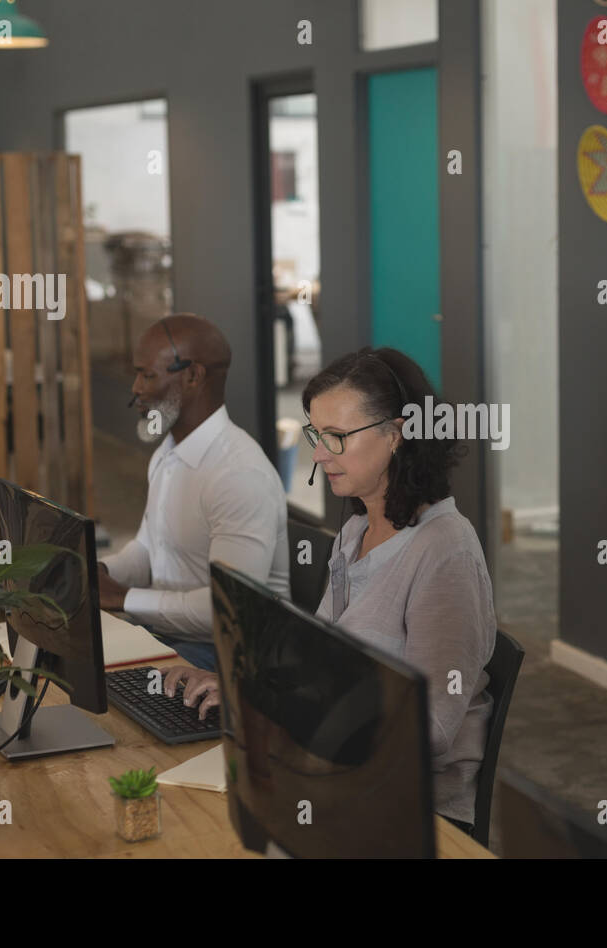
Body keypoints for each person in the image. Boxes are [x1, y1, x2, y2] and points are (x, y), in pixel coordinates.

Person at [165, 347, 497, 836]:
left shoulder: (446, 551)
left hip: (413, 811)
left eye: (337, 437)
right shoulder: (355, 530)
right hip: (333, 771)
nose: (318, 455)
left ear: (398, 433)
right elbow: (319, 663)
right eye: (316, 435)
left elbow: (431, 731)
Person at [98, 314, 291, 671]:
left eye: (148, 375)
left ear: (193, 376)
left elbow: (226, 609)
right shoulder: (167, 453)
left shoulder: (238, 475)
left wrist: (123, 599)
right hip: (172, 636)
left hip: (230, 657)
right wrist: (100, 573)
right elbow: (147, 548)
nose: (136, 388)